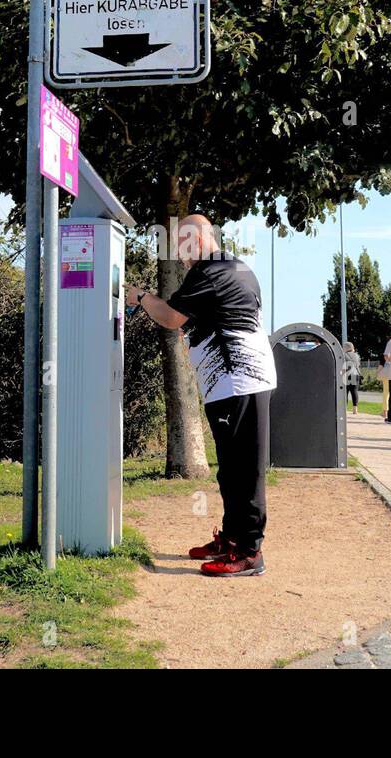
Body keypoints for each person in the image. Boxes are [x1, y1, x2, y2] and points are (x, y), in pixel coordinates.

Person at [127, 214, 277, 577]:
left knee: (244, 470)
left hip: (238, 381)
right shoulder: (234, 266)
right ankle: (231, 537)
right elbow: (222, 316)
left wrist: (140, 297)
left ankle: (248, 553)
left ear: (197, 239)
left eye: (180, 243)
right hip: (237, 382)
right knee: (231, 468)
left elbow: (170, 318)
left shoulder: (209, 270)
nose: (177, 253)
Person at [343, 341, 362, 415]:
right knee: (354, 392)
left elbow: (343, 366)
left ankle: (345, 409)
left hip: (347, 375)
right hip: (355, 374)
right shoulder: (357, 355)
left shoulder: (343, 355)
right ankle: (355, 409)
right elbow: (358, 365)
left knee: (345, 392)